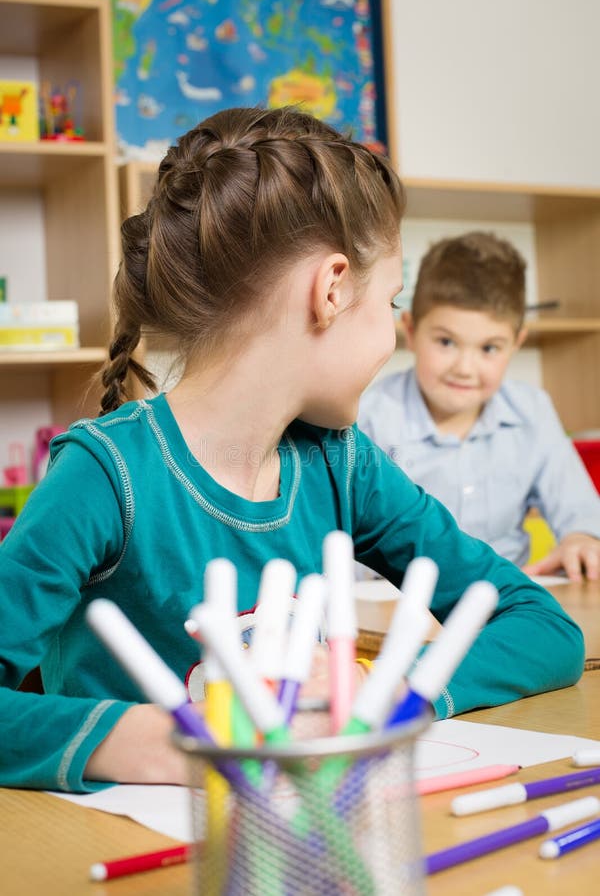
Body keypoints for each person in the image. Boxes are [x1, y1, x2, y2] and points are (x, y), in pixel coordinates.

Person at [0, 109, 584, 793]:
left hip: (311, 837)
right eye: (389, 301)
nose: (390, 341)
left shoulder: (343, 464)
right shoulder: (105, 477)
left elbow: (543, 625)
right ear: (332, 289)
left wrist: (376, 691)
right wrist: (154, 744)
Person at [359, 231, 600, 581]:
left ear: (516, 343)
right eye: (446, 341)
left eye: (489, 348)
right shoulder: (369, 416)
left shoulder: (532, 411)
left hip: (506, 606)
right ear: (409, 330)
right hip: (397, 606)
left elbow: (581, 511)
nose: (465, 368)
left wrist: (582, 538)